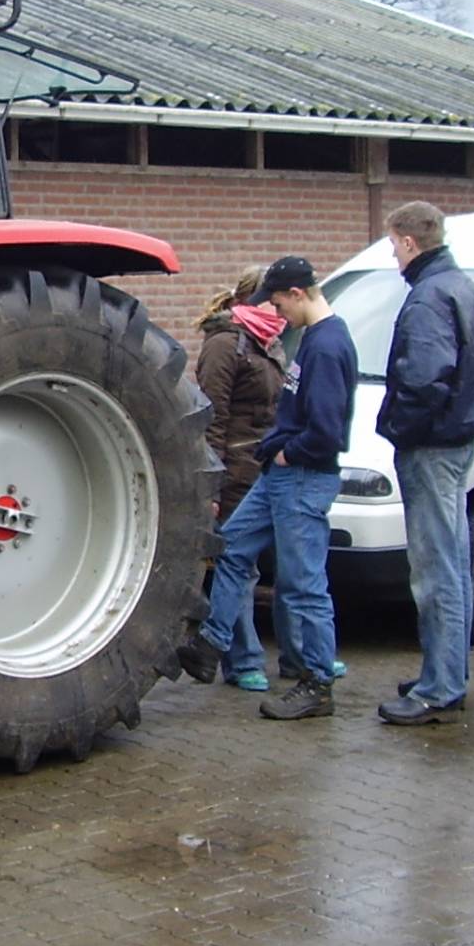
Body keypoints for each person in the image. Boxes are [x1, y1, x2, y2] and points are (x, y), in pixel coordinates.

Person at [178, 256, 358, 721]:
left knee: (302, 584)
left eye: (279, 303)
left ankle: (316, 681)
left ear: (298, 293)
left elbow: (327, 430)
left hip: (300, 476)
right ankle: (213, 643)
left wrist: (288, 452)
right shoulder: (312, 339)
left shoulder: (328, 345)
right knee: (234, 548)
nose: (277, 314)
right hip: (277, 474)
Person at [374, 201, 474, 726]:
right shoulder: (468, 290)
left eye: (393, 246)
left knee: (436, 567)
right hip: (458, 441)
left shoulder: (429, 297)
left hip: (432, 444)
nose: (393, 256)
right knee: (448, 558)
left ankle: (440, 687)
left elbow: (425, 377)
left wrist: (400, 429)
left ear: (407, 242)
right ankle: (443, 673)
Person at [193, 268, 287, 692]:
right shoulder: (225, 345)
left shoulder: (268, 341)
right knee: (239, 566)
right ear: (255, 300)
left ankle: (295, 656)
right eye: (274, 299)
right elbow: (211, 416)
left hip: (265, 465)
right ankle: (242, 659)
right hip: (235, 470)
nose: (281, 307)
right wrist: (213, 480)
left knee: (279, 567)